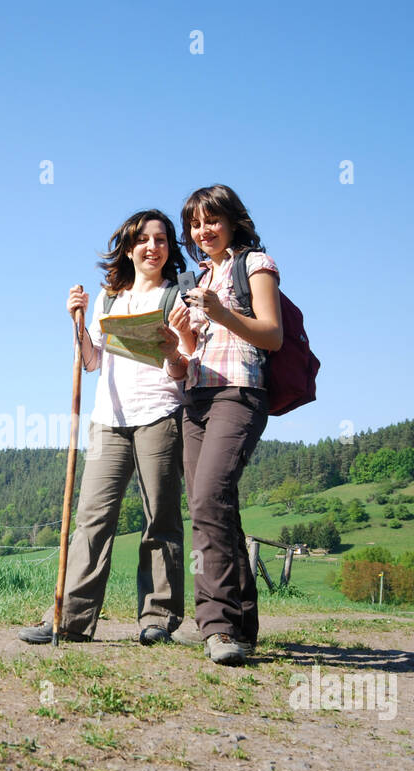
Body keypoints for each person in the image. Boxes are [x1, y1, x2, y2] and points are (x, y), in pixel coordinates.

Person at [19, 209, 191, 645]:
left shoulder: (178, 298)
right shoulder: (109, 299)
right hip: (109, 420)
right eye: (144, 240)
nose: (153, 247)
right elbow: (92, 361)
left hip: (160, 414)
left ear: (169, 249)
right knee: (92, 518)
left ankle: (157, 618)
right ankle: (70, 619)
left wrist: (172, 350)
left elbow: (183, 371)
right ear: (129, 248)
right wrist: (76, 323)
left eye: (162, 240)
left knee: (160, 517)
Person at [165, 184, 283, 666]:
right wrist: (180, 342)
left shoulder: (255, 264)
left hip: (240, 391)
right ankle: (240, 624)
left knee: (211, 495)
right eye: (194, 224)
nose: (202, 231)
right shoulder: (197, 279)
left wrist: (221, 312)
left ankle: (215, 626)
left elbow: (271, 335)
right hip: (195, 397)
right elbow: (185, 359)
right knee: (209, 506)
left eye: (211, 220)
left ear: (233, 221)